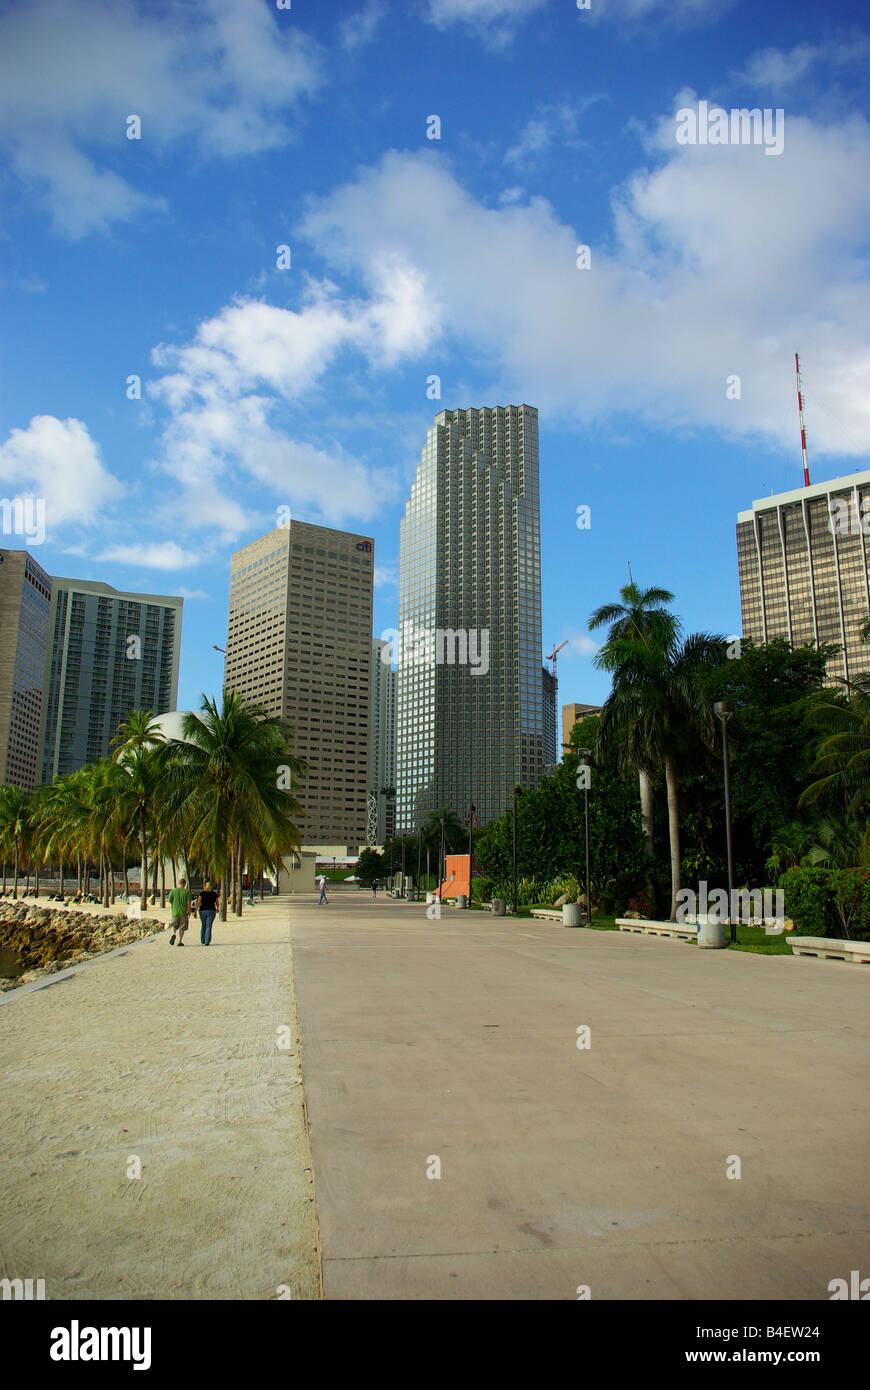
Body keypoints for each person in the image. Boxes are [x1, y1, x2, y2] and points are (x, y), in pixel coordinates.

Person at [169, 877, 192, 947]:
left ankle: (173, 934)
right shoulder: (187, 892)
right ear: (185, 884)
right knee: (182, 927)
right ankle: (180, 941)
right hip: (183, 912)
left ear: (178, 883)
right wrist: (189, 911)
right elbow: (188, 903)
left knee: (174, 925)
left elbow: (170, 900)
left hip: (175, 912)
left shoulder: (173, 891)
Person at [197, 881, 218, 946]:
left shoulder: (202, 894)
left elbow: (198, 902)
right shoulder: (214, 894)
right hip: (211, 910)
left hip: (202, 910)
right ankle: (207, 941)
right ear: (211, 887)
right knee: (209, 926)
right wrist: (218, 908)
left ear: (205, 887)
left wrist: (195, 910)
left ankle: (203, 940)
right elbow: (217, 902)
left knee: (203, 925)